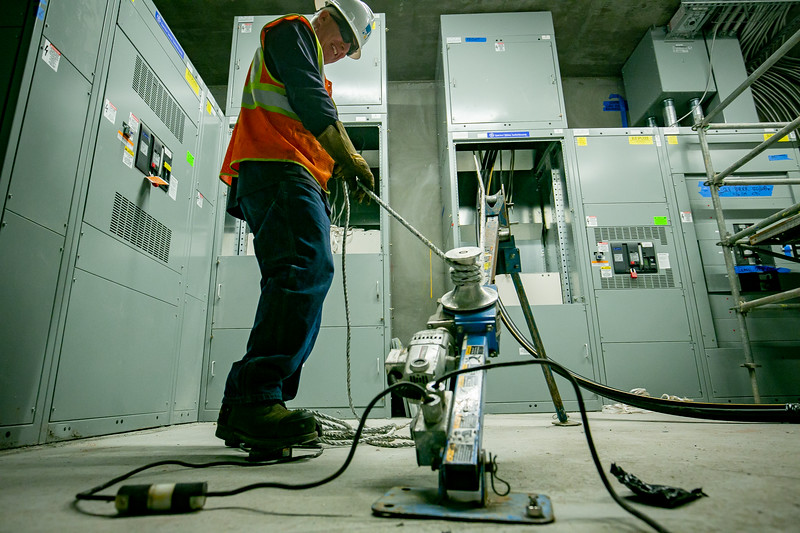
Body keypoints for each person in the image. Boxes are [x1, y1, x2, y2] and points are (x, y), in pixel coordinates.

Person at [215, 0, 376, 450]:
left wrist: (336, 164)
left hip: (286, 173)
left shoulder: (312, 64)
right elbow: (310, 105)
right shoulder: (292, 32)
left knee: (297, 274)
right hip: (278, 168)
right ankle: (258, 395)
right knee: (305, 269)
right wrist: (352, 158)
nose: (342, 48)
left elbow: (310, 115)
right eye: (342, 34)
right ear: (323, 15)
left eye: (350, 46)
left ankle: (251, 403)